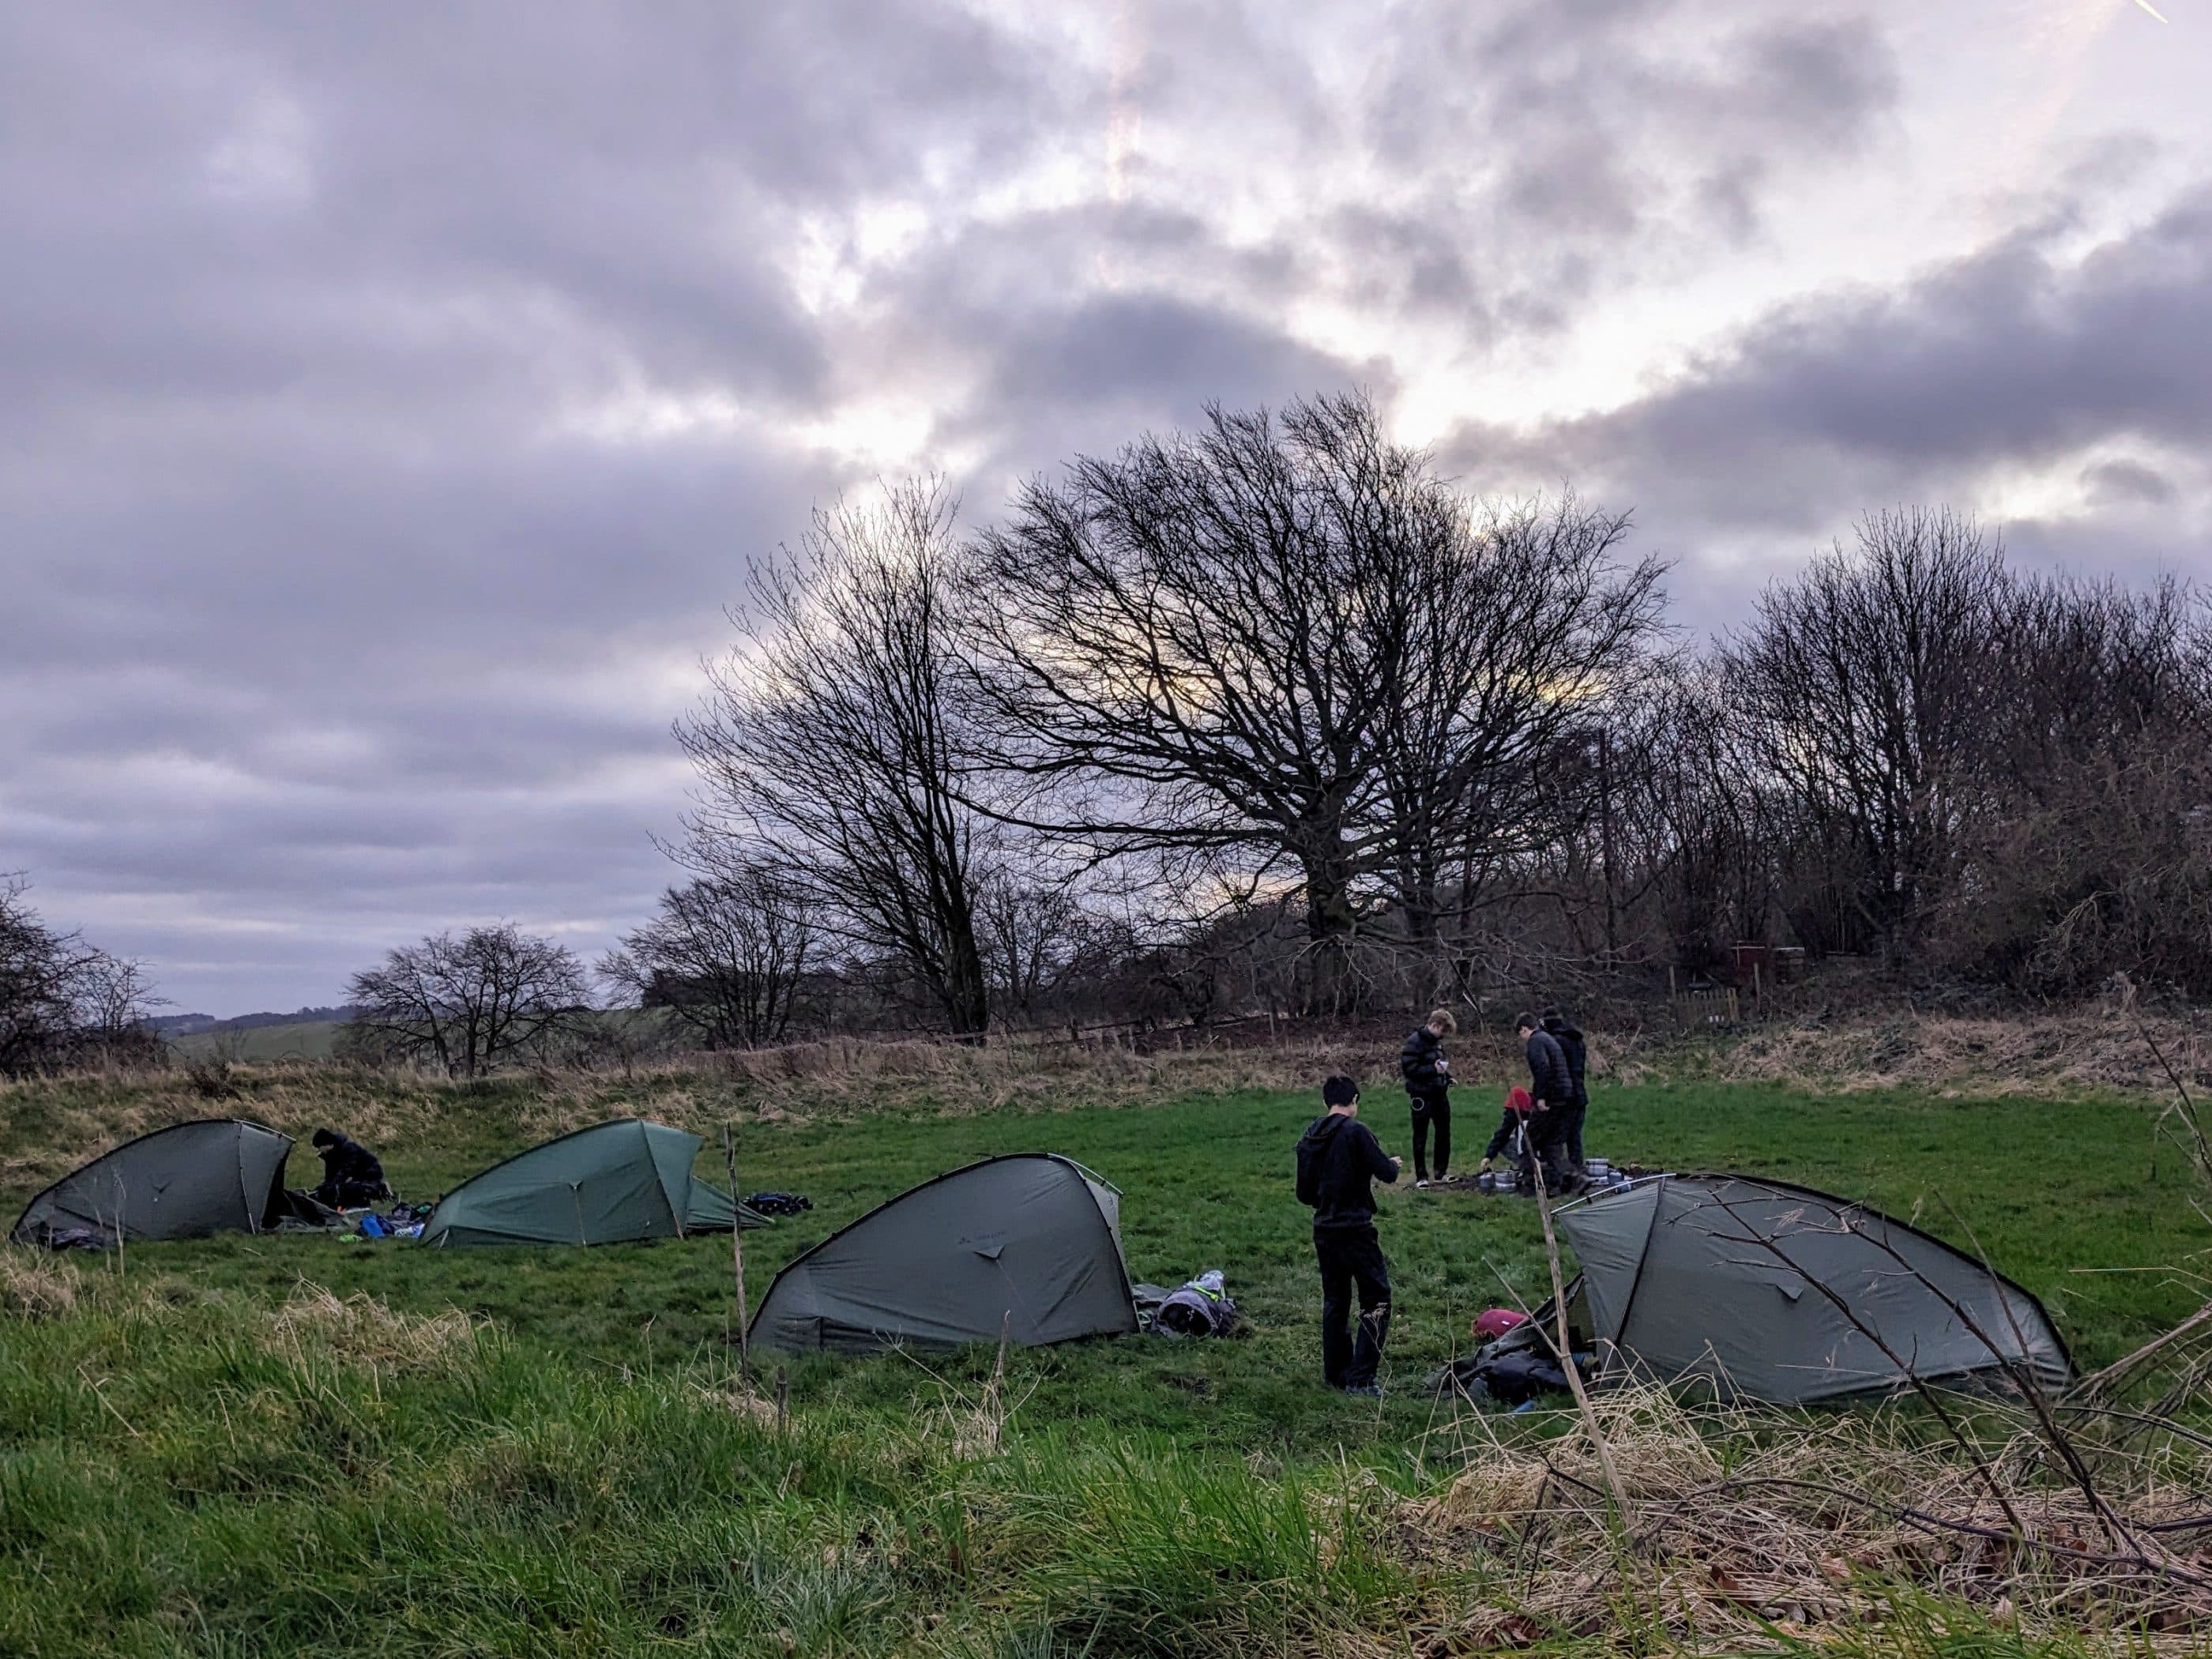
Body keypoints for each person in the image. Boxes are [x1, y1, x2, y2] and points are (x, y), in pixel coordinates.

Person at [1295, 1075, 1401, 1396]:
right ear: (1354, 1100)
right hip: (1356, 1230)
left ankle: (1337, 1374)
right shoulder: (1357, 1132)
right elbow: (1388, 1173)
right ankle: (1362, 1379)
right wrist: (1391, 1163)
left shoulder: (1311, 1135)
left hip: (1325, 1229)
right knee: (1377, 1299)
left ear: (1326, 1101)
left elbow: (1303, 1193)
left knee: (1336, 1301)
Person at [1398, 1006, 1457, 1187]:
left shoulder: (1437, 1043)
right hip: (1421, 1096)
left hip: (1440, 1094)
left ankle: (1441, 1172)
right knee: (1420, 1136)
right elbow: (1409, 1069)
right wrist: (1433, 1070)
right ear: (1435, 1025)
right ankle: (1421, 1176)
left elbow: (1439, 1064)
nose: (1443, 1035)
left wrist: (1448, 1076)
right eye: (1443, 1031)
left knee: (1443, 1134)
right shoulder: (1414, 1042)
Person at [1542, 1006, 1589, 1176]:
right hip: (1580, 1094)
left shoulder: (1555, 1042)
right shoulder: (1577, 1039)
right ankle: (1578, 1172)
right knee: (1574, 1137)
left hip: (1564, 1097)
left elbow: (1553, 1071)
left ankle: (1561, 1174)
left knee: (1556, 1138)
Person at [311, 1128, 390, 1209]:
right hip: (358, 1176)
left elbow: (346, 1170)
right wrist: (323, 1188)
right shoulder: (330, 1155)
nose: (319, 1150)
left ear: (325, 1144)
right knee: (334, 1190)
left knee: (347, 1189)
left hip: (371, 1174)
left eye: (319, 1147)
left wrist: (334, 1186)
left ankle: (380, 1189)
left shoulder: (348, 1148)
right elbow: (330, 1176)